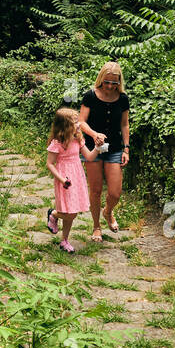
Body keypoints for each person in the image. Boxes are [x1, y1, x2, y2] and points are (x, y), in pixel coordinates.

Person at [79, 61, 130, 243]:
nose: (110, 86)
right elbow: (81, 122)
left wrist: (126, 148)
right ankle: (96, 227)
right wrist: (94, 135)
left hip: (115, 148)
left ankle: (107, 211)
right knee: (96, 190)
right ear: (101, 79)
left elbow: (124, 124)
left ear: (119, 82)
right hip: (93, 148)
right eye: (107, 82)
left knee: (115, 192)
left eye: (114, 83)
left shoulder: (123, 98)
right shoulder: (91, 96)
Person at [45, 107, 100, 253]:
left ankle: (64, 240)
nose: (78, 125)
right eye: (75, 122)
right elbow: (49, 163)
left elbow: (89, 157)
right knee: (68, 211)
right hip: (65, 179)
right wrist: (62, 179)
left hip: (77, 176)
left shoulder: (78, 139)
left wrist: (98, 148)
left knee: (73, 211)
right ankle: (54, 214)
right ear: (65, 125)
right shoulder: (57, 142)